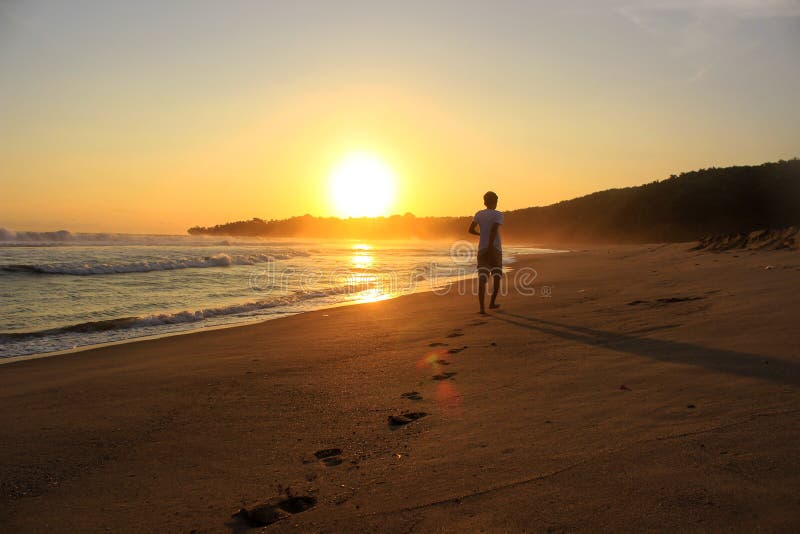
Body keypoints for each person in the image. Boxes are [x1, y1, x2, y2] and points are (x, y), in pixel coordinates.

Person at [468, 191, 503, 314]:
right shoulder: (498, 214)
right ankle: (492, 303)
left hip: (482, 249)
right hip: (495, 249)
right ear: (495, 202)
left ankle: (482, 308)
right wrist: (490, 246)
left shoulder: (479, 214)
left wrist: (481, 235)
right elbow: (494, 231)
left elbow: (470, 230)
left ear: (484, 202)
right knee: (497, 277)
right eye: (497, 201)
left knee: (482, 278)